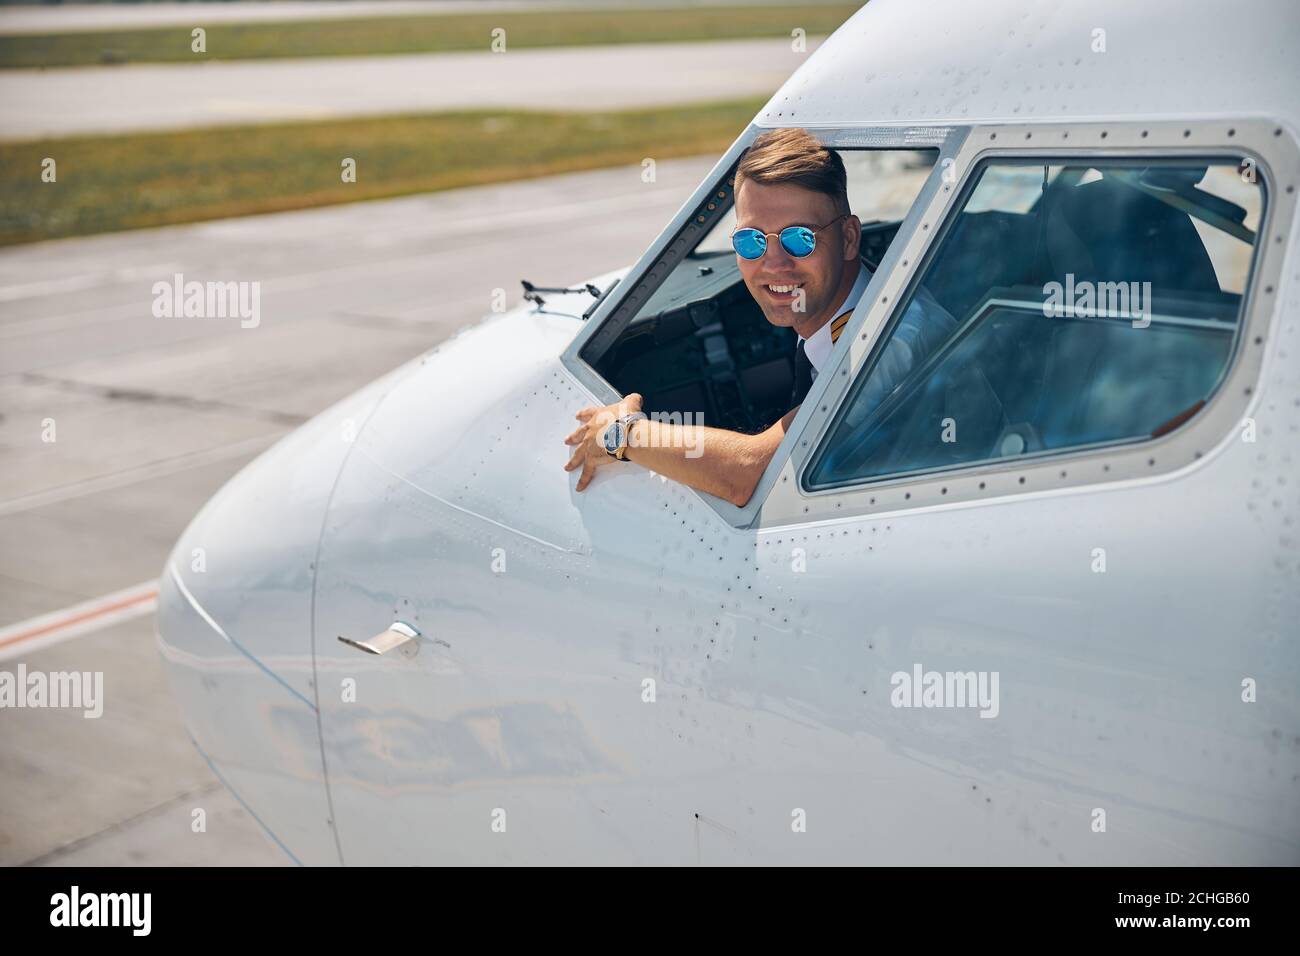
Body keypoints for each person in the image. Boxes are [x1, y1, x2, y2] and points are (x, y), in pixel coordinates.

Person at [564, 127, 953, 507]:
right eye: (750, 241)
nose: (774, 265)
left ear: (849, 238)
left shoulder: (889, 343)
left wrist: (624, 434)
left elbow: (750, 472)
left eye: (800, 238)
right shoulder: (851, 305)